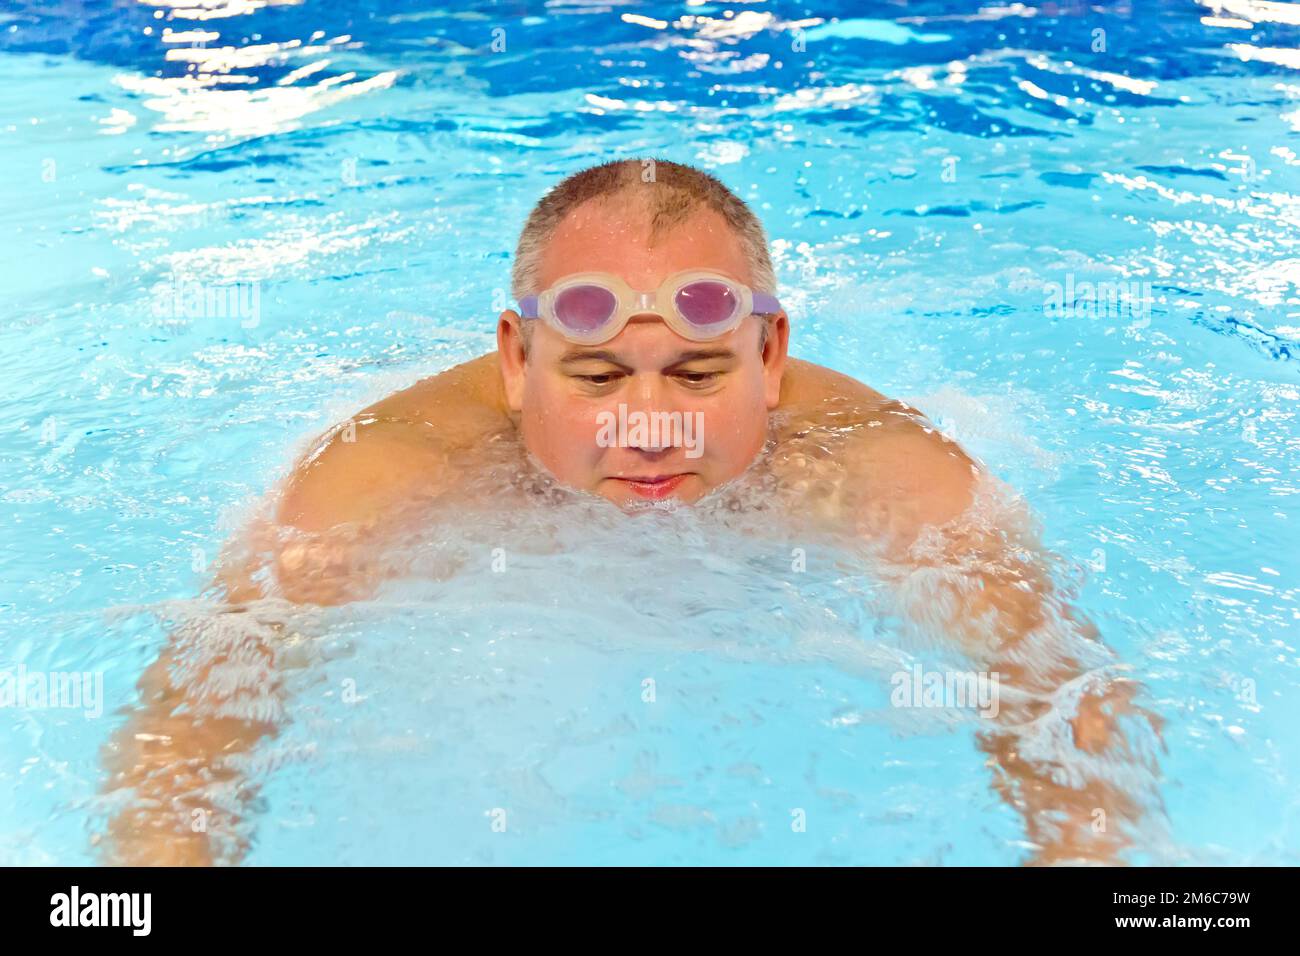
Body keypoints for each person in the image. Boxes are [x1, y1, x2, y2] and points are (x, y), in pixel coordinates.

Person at [101, 159, 1160, 866]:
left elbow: (1059, 694)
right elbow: (196, 719)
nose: (650, 429)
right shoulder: (387, 472)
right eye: (598, 379)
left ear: (770, 356)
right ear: (516, 364)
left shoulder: (880, 464)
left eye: (698, 377)